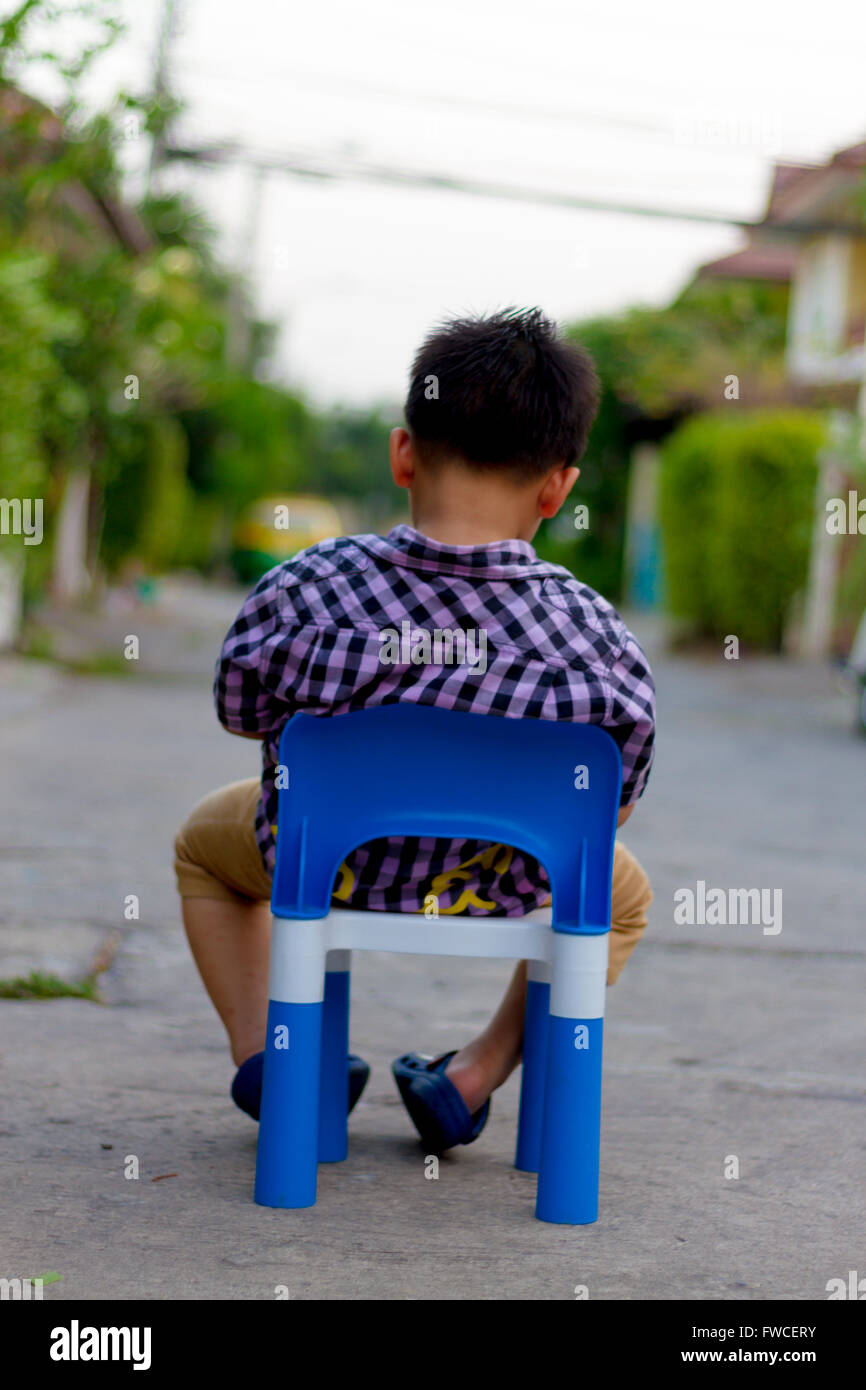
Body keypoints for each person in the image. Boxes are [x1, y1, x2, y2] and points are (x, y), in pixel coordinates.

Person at [174, 307, 655, 1153]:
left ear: (403, 453)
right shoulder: (597, 638)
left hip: (326, 868)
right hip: (497, 880)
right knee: (619, 893)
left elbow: (239, 712)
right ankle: (472, 1075)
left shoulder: (304, 588)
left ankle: (277, 1065)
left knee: (200, 847)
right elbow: (609, 804)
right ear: (557, 488)